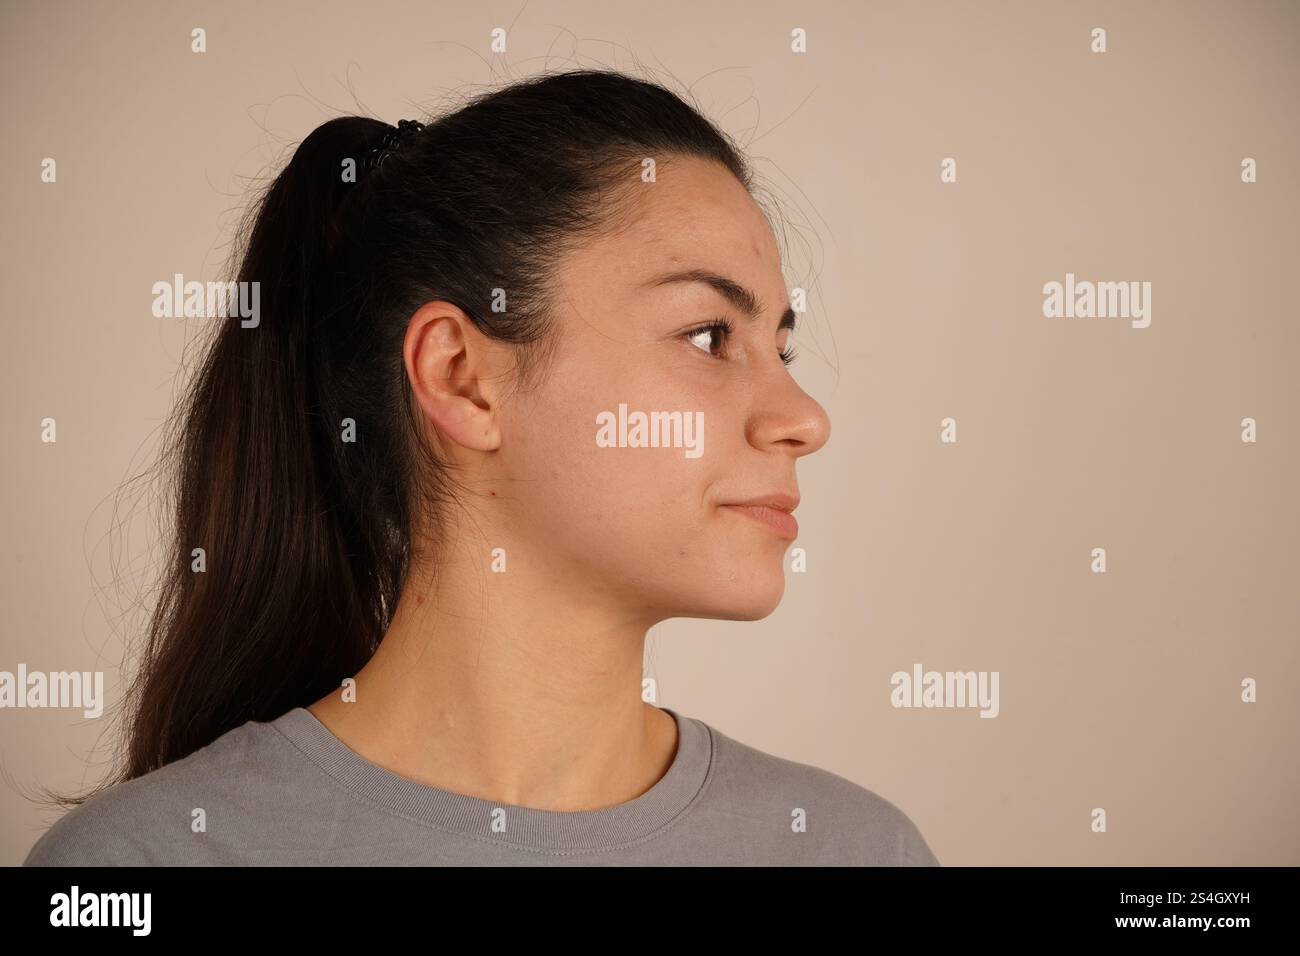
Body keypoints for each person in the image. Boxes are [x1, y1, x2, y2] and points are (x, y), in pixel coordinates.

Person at [23, 68, 938, 866]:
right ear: (462, 379)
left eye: (783, 347)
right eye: (709, 335)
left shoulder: (854, 852)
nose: (803, 419)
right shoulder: (141, 867)